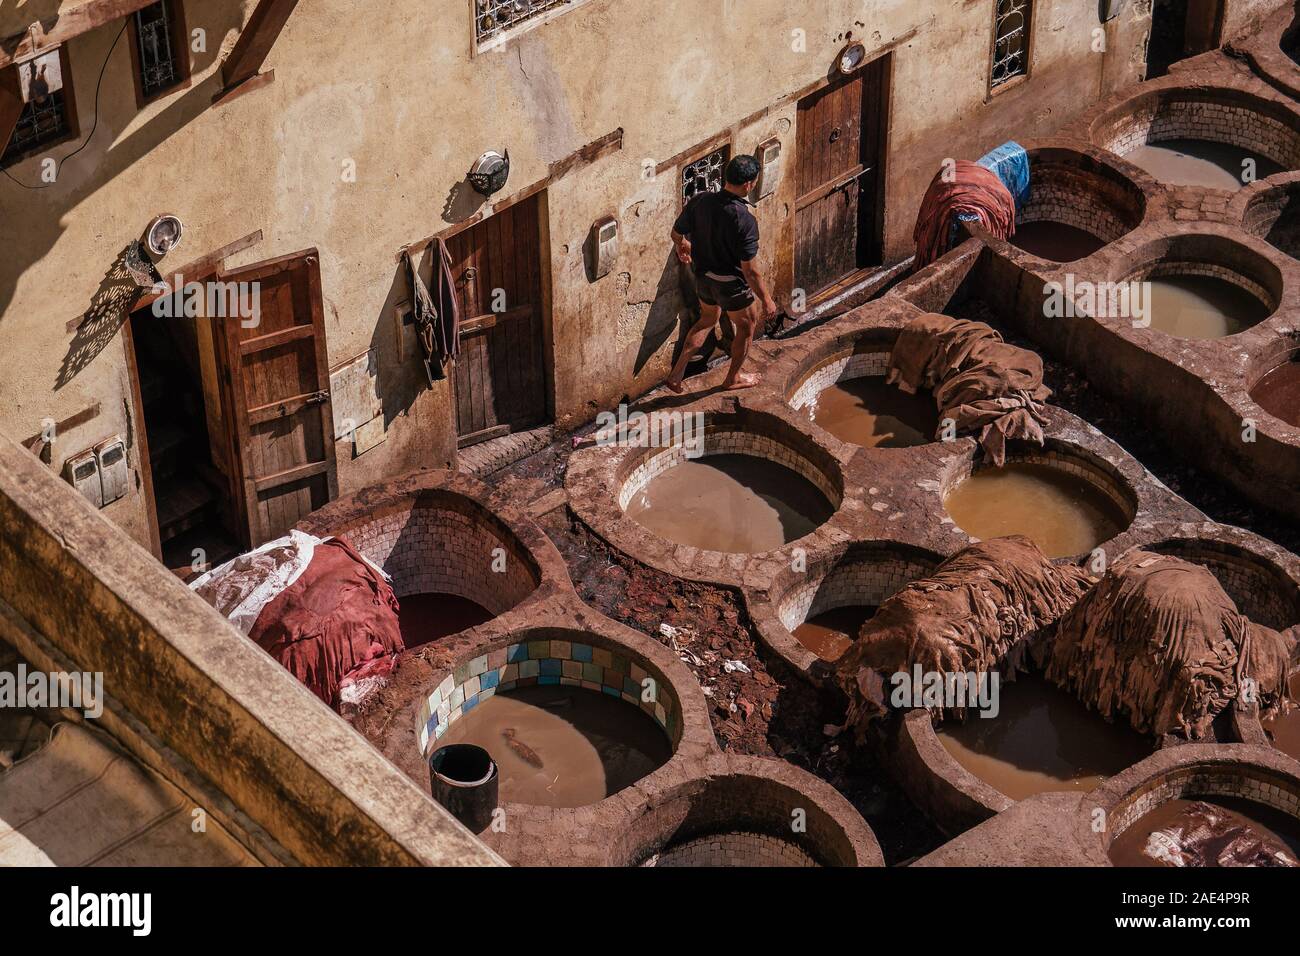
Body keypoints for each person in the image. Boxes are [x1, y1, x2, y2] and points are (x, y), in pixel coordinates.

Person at [665, 155, 777, 393]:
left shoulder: (700, 201)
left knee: (707, 320)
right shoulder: (745, 220)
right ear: (748, 185)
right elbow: (750, 271)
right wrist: (767, 299)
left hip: (704, 279)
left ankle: (676, 375)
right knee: (747, 329)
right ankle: (733, 378)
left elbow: (676, 234)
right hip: (731, 286)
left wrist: (684, 247)